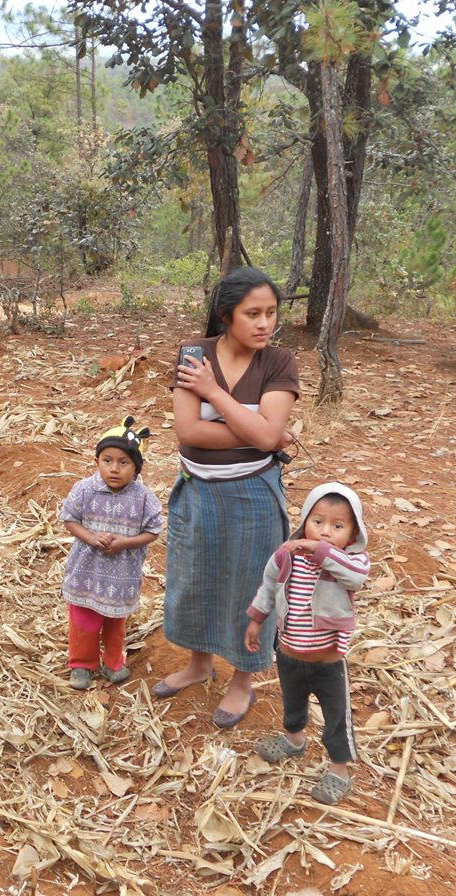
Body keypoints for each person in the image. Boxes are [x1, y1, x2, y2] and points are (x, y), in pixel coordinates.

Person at [156, 266, 299, 730]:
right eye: (252, 313)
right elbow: (188, 432)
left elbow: (267, 434)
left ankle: (242, 681)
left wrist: (215, 394)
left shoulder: (278, 362)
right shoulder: (194, 353)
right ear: (226, 314)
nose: (264, 324)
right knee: (195, 577)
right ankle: (198, 666)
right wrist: (258, 432)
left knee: (249, 586)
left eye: (271, 313)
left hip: (254, 494)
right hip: (197, 490)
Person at [244, 483, 370, 804]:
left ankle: (339, 770)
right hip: (288, 653)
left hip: (327, 662)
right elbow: (268, 587)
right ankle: (294, 739)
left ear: (353, 535)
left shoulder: (349, 561)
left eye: (337, 526)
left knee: (335, 715)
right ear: (304, 522)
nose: (325, 532)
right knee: (293, 702)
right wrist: (257, 619)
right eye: (318, 522)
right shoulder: (287, 556)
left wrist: (323, 553)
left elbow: (356, 578)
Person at [59, 417, 163, 690]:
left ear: (137, 468)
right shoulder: (85, 490)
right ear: (97, 461)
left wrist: (125, 542)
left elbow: (154, 530)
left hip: (121, 577)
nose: (114, 468)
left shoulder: (143, 498)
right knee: (84, 620)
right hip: (86, 571)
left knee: (116, 623)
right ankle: (82, 663)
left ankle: (113, 661)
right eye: (107, 460)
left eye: (124, 462)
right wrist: (91, 537)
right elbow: (69, 519)